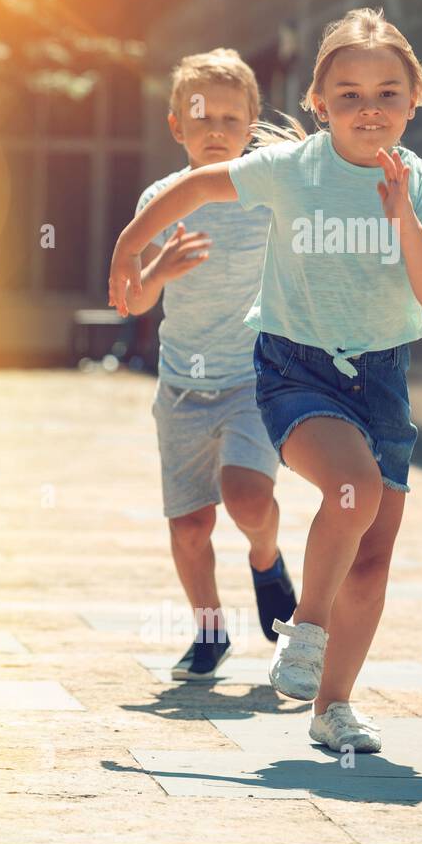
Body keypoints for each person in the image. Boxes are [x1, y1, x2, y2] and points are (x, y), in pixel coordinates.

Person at [110, 9, 422, 752]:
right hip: (293, 370)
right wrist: (129, 245)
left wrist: (403, 221)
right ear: (318, 103)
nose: (370, 108)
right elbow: (200, 186)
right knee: (349, 491)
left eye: (388, 94)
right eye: (350, 94)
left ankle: (332, 705)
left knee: (372, 554)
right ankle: (303, 625)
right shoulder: (293, 169)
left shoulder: (418, 182)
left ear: (415, 98)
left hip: (383, 378)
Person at [124, 49, 295, 680]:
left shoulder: (271, 195)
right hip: (181, 390)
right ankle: (209, 631)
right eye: (201, 119)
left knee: (247, 497)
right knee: (191, 525)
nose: (216, 130)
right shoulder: (161, 197)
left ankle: (267, 559)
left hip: (253, 381)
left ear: (252, 126)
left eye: (230, 118)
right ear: (178, 127)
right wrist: (158, 269)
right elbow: (133, 299)